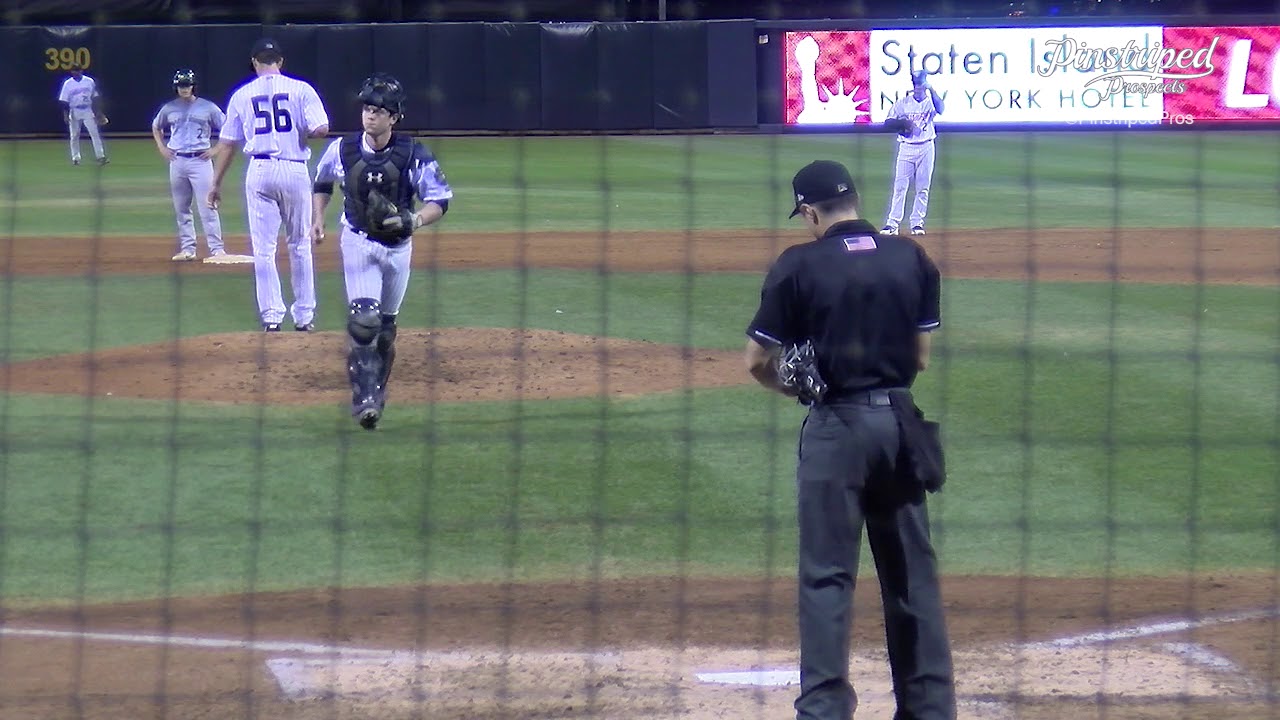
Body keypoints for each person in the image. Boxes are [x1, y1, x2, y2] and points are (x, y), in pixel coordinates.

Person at [744, 160, 955, 720]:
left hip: (837, 430)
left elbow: (757, 361)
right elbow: (921, 359)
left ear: (809, 211)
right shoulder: (911, 256)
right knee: (912, 577)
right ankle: (931, 710)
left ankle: (824, 711)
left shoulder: (798, 265)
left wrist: (795, 387)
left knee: (827, 578)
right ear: (854, 201)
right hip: (900, 429)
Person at [310, 73, 453, 430]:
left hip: (398, 248)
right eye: (367, 109)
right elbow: (323, 182)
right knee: (364, 322)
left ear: (394, 117)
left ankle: (378, 387)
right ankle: (365, 399)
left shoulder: (413, 153)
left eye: (378, 111)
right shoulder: (342, 149)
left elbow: (439, 200)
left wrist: (414, 220)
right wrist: (318, 218)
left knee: (386, 330)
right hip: (357, 241)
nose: (370, 115)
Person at [207, 38, 330, 331]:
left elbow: (228, 144)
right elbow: (321, 129)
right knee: (300, 245)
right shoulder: (302, 89)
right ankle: (304, 317)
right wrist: (304, 131)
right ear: (281, 62)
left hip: (260, 170)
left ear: (254, 62)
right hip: (294, 169)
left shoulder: (242, 94)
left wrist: (215, 183)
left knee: (263, 249)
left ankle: (272, 318)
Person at [152, 69, 227, 262]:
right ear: (176, 87)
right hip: (177, 160)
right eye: (181, 85)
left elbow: (227, 128)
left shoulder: (208, 107)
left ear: (193, 86)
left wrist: (216, 149)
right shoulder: (169, 108)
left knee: (208, 205)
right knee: (181, 207)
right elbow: (156, 126)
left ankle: (217, 249)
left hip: (200, 161)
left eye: (187, 85)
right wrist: (161, 147)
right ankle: (188, 249)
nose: (184, 88)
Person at [882, 70, 943, 236]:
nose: (917, 87)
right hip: (906, 148)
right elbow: (887, 123)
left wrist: (932, 90)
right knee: (900, 186)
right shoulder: (903, 103)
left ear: (925, 84)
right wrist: (903, 125)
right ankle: (892, 224)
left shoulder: (930, 102)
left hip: (926, 147)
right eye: (915, 84)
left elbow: (941, 109)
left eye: (920, 84)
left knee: (923, 187)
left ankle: (917, 223)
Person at [57, 63, 109, 166]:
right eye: (73, 70)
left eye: (77, 70)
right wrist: (65, 115)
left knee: (94, 133)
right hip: (74, 110)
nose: (75, 72)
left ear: (81, 71)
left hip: (87, 110)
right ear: (71, 71)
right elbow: (64, 101)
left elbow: (95, 97)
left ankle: (100, 156)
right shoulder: (68, 83)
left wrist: (98, 112)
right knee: (74, 135)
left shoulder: (89, 81)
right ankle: (76, 158)